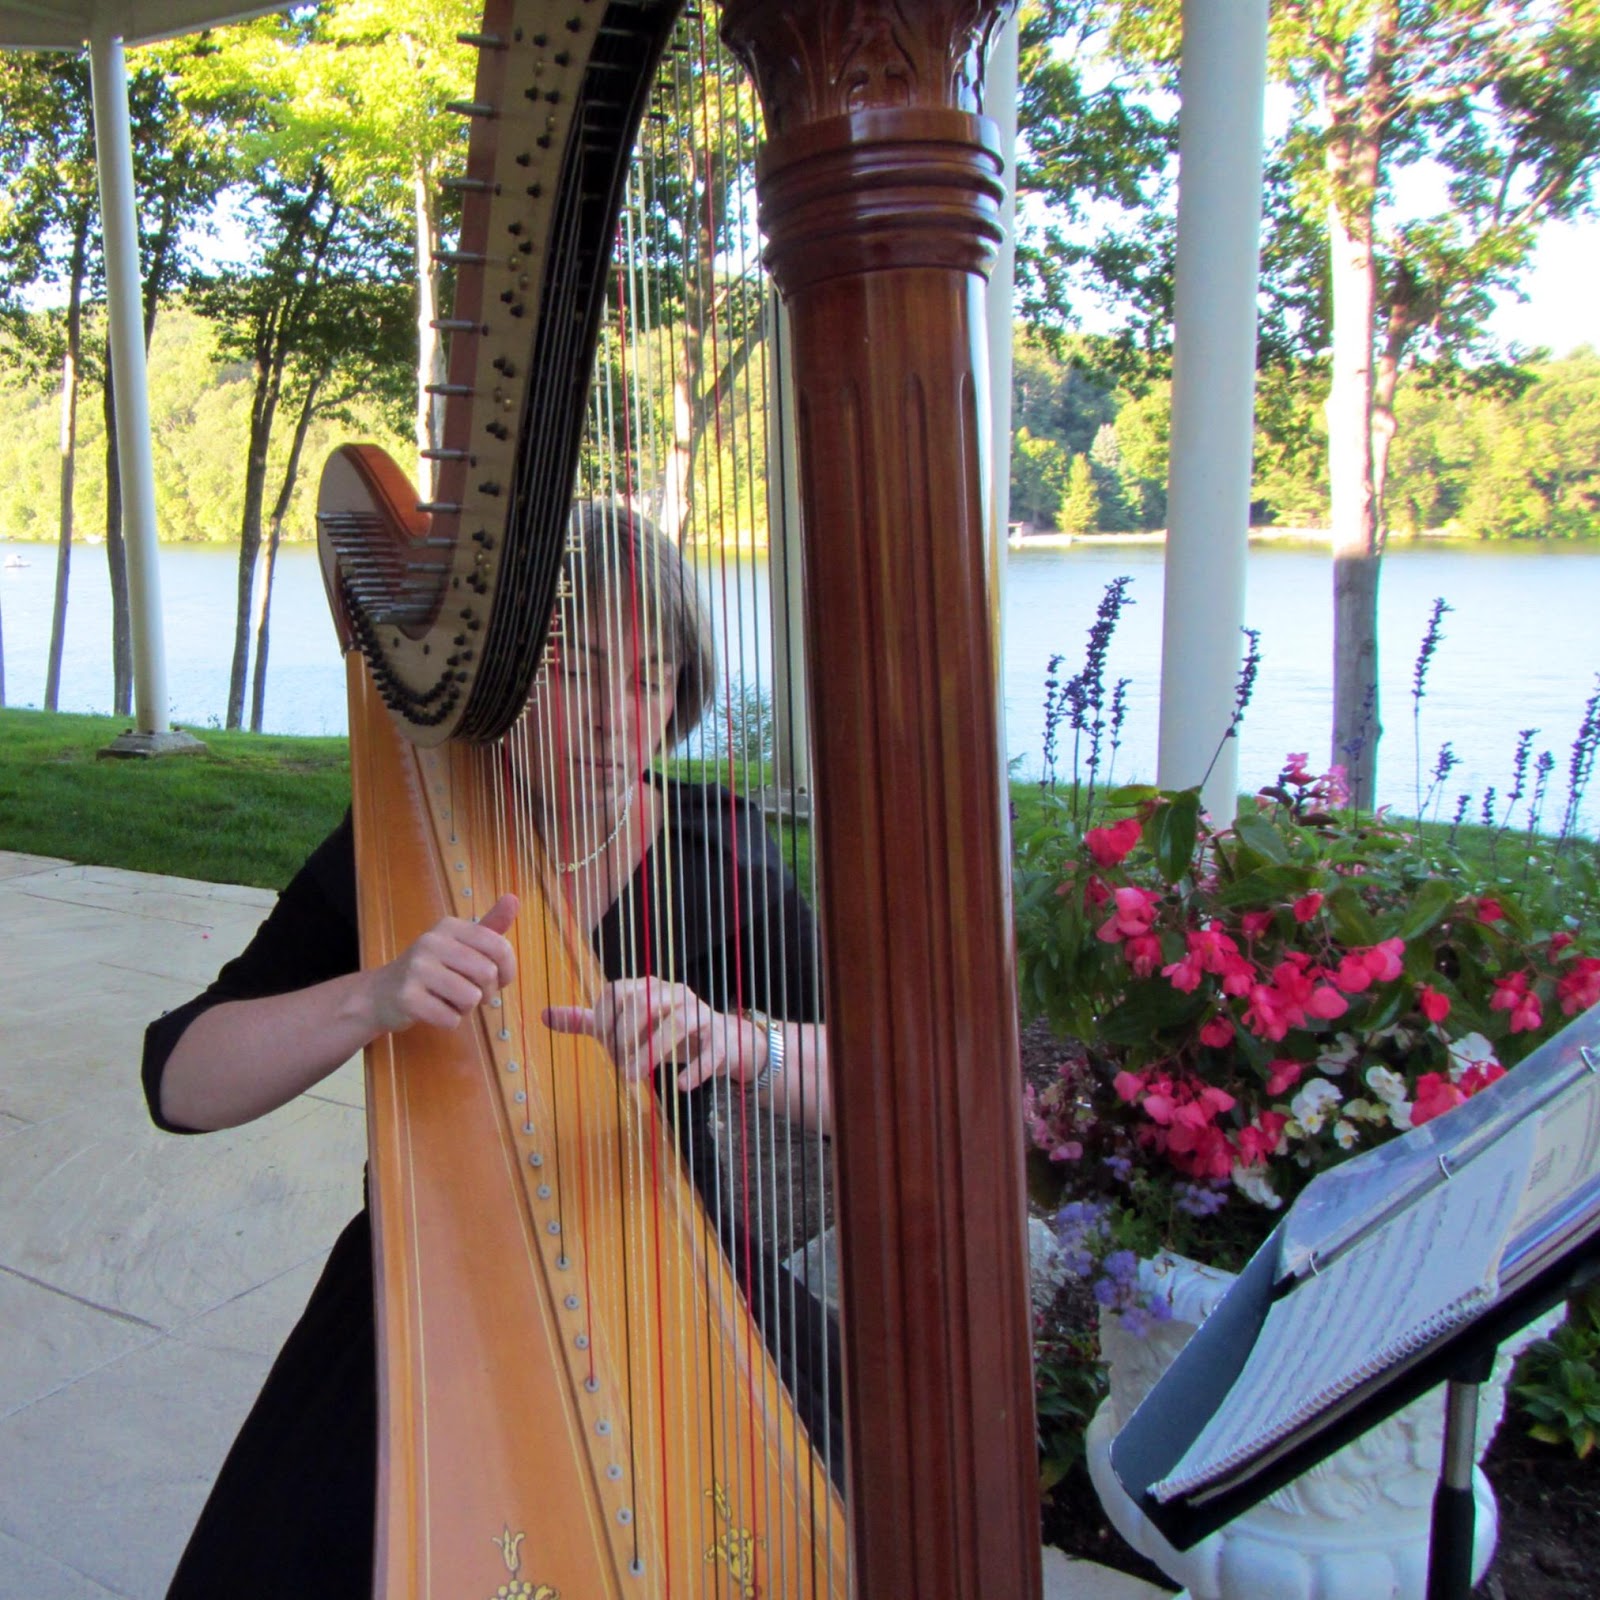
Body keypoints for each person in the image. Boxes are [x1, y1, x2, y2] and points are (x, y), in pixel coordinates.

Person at [143, 503, 837, 1599]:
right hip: (420, 1264)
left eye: (650, 677)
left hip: (680, 1274)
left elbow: (873, 1089)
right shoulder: (400, 842)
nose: (617, 720)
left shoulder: (724, 857)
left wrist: (737, 1039)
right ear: (497, 677)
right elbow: (179, 1080)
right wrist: (369, 997)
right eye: (577, 671)